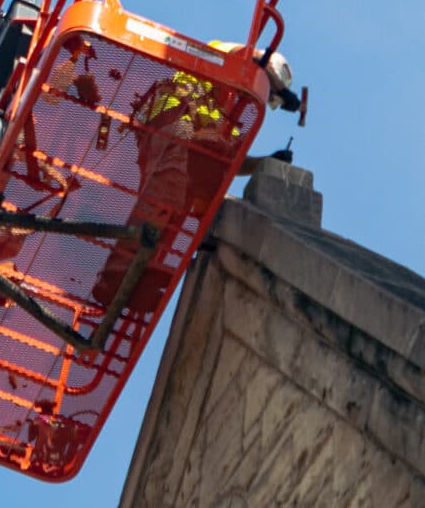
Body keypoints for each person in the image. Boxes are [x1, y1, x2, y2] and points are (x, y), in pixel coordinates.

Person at [88, 42, 296, 312]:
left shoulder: (228, 110)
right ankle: (115, 275)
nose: (259, 93)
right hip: (172, 116)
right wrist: (278, 86)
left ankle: (141, 275)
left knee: (175, 211)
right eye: (265, 86)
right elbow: (243, 54)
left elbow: (232, 159)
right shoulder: (226, 57)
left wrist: (266, 162)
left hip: (187, 141)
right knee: (167, 190)